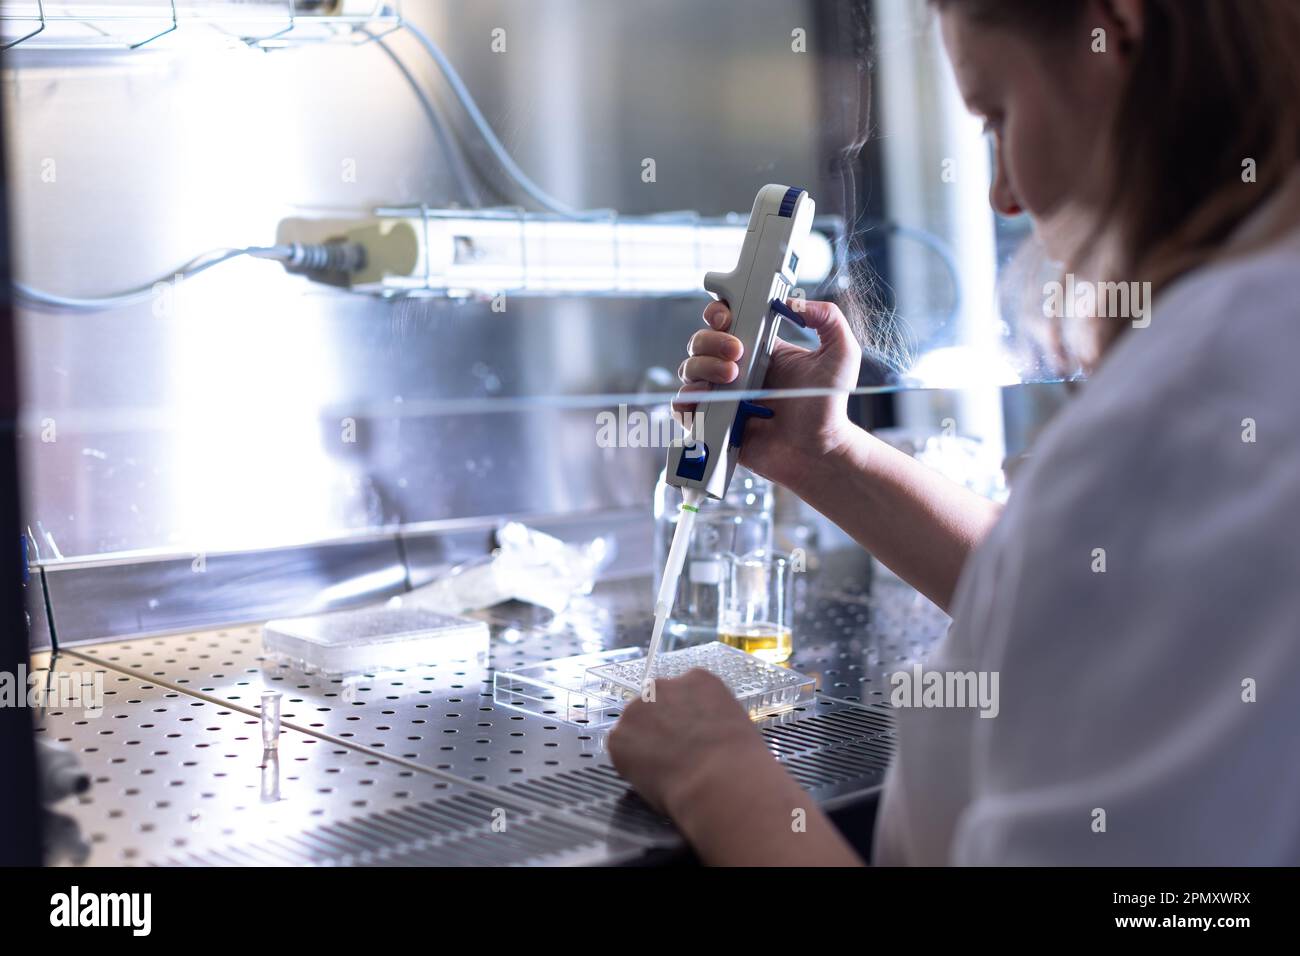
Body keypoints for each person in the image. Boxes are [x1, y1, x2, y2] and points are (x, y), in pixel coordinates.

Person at [607, 0, 1300, 866]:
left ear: (1112, 33)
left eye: (998, 117)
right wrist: (829, 457)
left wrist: (716, 774)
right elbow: (1089, 604)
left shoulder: (1195, 400)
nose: (1002, 191)